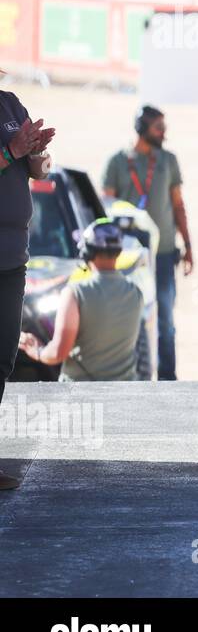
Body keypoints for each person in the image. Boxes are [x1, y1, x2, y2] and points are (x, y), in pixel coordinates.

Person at [101, 104, 193, 380]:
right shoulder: (117, 161)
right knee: (127, 319)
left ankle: (168, 379)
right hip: (126, 258)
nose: (164, 133)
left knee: (165, 321)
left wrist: (188, 245)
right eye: (159, 127)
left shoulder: (168, 160)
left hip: (163, 255)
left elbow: (178, 205)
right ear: (142, 129)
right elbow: (106, 204)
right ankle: (128, 375)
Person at [0, 84, 55, 490]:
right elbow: (10, 156)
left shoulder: (11, 103)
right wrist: (11, 152)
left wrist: (36, 156)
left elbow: (36, 171)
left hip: (13, 256)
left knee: (3, 360)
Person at [19, 219, 144, 383]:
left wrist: (37, 351)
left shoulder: (75, 293)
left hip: (83, 397)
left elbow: (58, 353)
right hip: (125, 391)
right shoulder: (135, 293)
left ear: (87, 252)